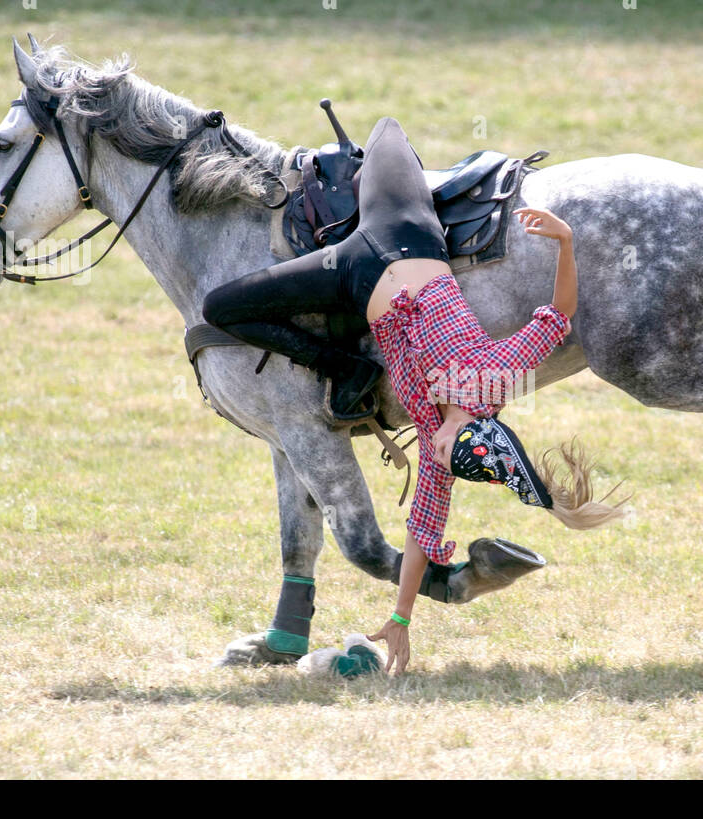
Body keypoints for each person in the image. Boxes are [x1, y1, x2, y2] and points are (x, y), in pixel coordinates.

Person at [202, 117, 626, 675]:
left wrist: (399, 621)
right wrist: (565, 241)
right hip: (405, 233)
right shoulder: (495, 371)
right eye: (450, 446)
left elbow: (423, 531)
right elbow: (558, 314)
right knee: (385, 132)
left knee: (219, 308)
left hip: (356, 271)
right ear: (472, 428)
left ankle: (334, 362)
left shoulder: (434, 444)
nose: (439, 451)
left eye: (443, 456)